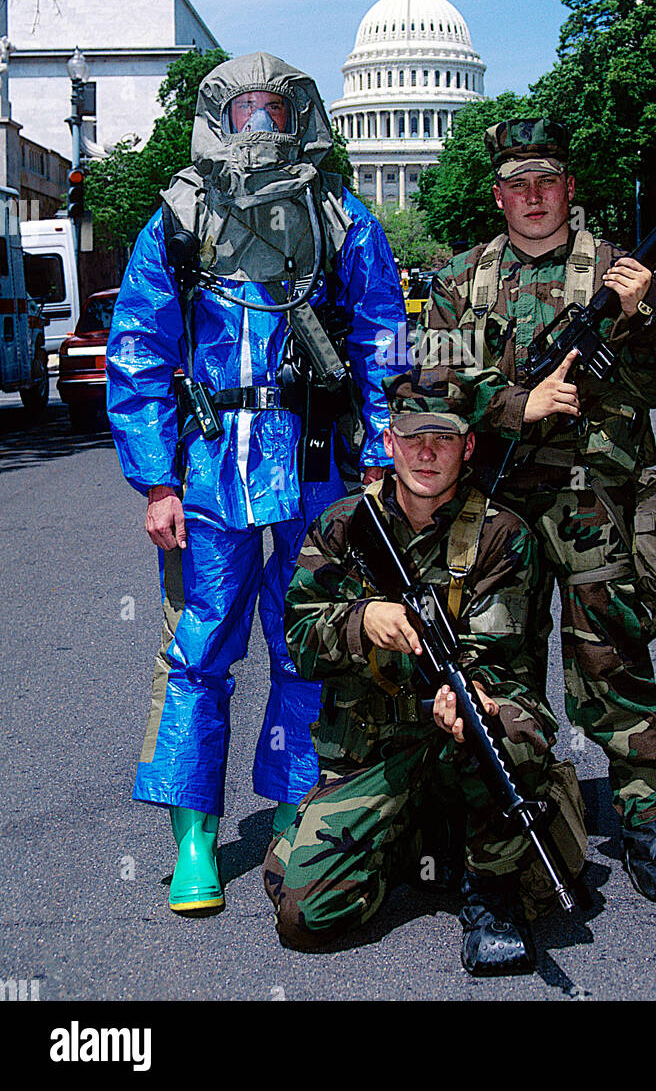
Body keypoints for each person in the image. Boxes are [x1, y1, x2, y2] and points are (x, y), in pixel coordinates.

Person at [106, 52, 405, 914]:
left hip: (316, 468)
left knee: (303, 645)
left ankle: (290, 812)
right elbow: (138, 353)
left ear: (300, 113)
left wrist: (381, 454)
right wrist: (156, 483)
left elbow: (384, 336)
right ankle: (194, 835)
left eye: (276, 108)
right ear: (218, 120)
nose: (262, 127)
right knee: (198, 651)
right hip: (210, 471)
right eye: (245, 113)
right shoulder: (176, 219)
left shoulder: (341, 216)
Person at [417, 116, 656, 902]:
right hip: (497, 508)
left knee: (613, 662)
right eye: (518, 185)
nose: (534, 198)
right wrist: (516, 401)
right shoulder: (458, 278)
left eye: (547, 183)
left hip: (591, 501)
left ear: (568, 189)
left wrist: (642, 318)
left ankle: (647, 819)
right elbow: (423, 388)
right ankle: (513, 822)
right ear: (498, 194)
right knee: (496, 662)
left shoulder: (616, 272)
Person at [263, 372, 587, 975]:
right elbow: (299, 642)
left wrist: (478, 704)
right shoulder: (342, 528)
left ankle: (490, 895)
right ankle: (417, 839)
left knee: (504, 738)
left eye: (445, 437)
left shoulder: (502, 536)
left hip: (462, 741)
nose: (428, 452)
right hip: (377, 753)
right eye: (414, 437)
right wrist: (363, 622)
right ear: (389, 443)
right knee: (302, 913)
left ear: (469, 447)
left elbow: (512, 669)